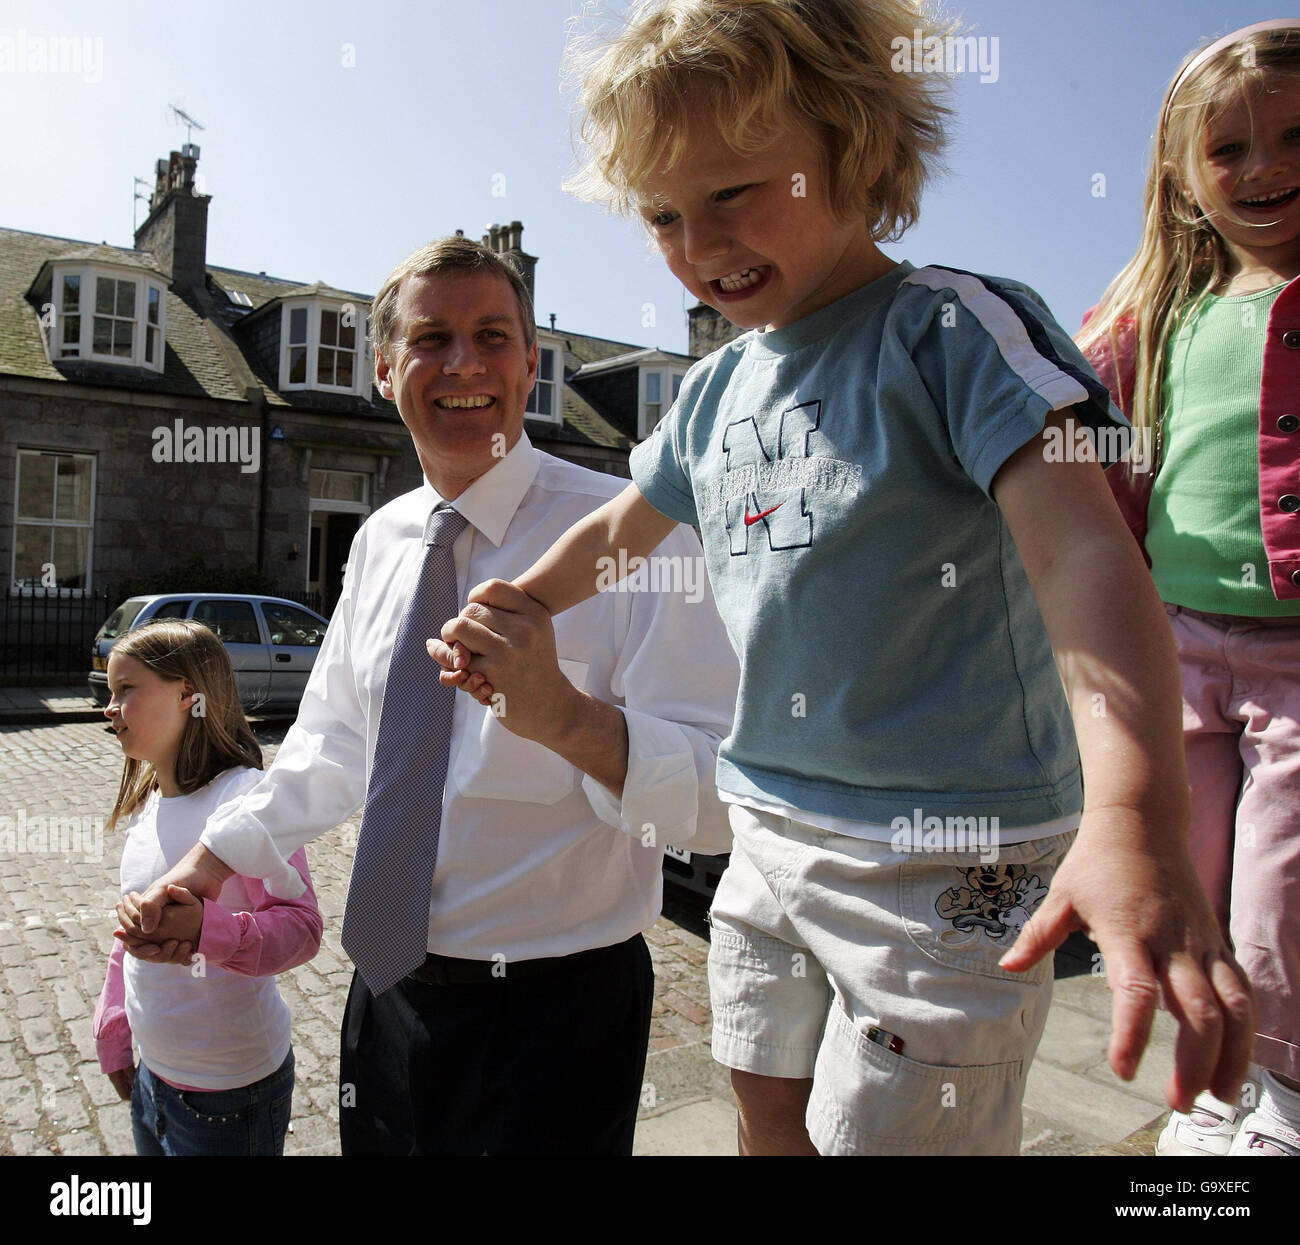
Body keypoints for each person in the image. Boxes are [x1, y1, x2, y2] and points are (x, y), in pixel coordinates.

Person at [440, 0, 1256, 1156]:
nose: (697, 243)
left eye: (733, 192)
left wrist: (1135, 809)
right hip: (767, 820)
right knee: (763, 1097)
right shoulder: (714, 391)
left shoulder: (951, 329)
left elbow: (1084, 552)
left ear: (858, 154)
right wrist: (522, 600)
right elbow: (626, 529)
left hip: (948, 852)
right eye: (663, 213)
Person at [115, 236, 738, 1155]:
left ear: (532, 363)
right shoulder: (378, 540)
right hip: (389, 991)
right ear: (383, 369)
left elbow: (720, 802)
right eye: (431, 338)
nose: (464, 363)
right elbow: (334, 745)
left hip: (558, 1012)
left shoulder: (637, 537)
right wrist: (203, 868)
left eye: (493, 335)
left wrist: (568, 720)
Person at [1079, 19, 1300, 1158]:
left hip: (1292, 655)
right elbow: (1087, 448)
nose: (1263, 168)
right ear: (1182, 170)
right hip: (1176, 646)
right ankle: (1218, 1075)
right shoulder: (1158, 315)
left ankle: (1283, 1091)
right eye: (1230, 148)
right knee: (1185, 874)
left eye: (1294, 138)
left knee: (1278, 889)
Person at [92, 619, 321, 1156]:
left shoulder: (246, 797)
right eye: (111, 692)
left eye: (126, 689)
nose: (109, 708)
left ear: (186, 695)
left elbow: (302, 928)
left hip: (231, 1092)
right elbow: (131, 930)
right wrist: (114, 1028)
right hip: (153, 1076)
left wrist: (207, 932)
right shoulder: (150, 803)